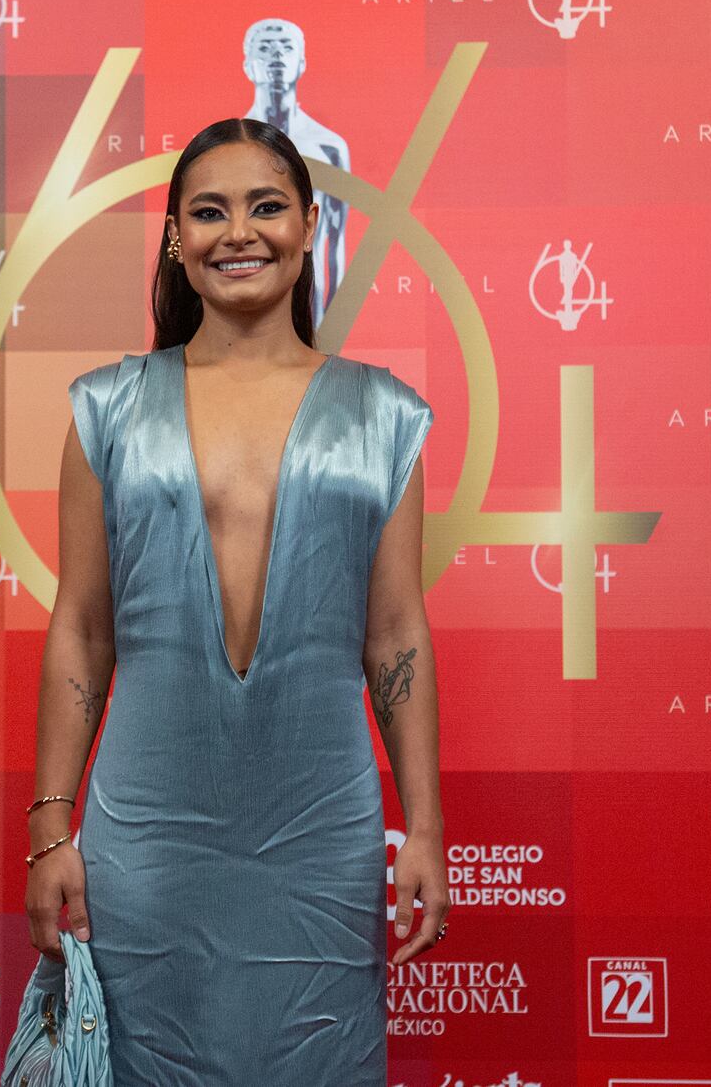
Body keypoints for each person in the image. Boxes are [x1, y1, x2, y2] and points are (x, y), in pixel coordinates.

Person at [23, 117, 449, 1083]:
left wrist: (422, 826)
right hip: (147, 840)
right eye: (207, 211)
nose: (238, 232)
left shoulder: (386, 416)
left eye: (265, 206)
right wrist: (50, 833)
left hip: (322, 833)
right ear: (175, 237)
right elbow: (82, 632)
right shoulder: (107, 407)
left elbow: (394, 638)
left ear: (307, 225)